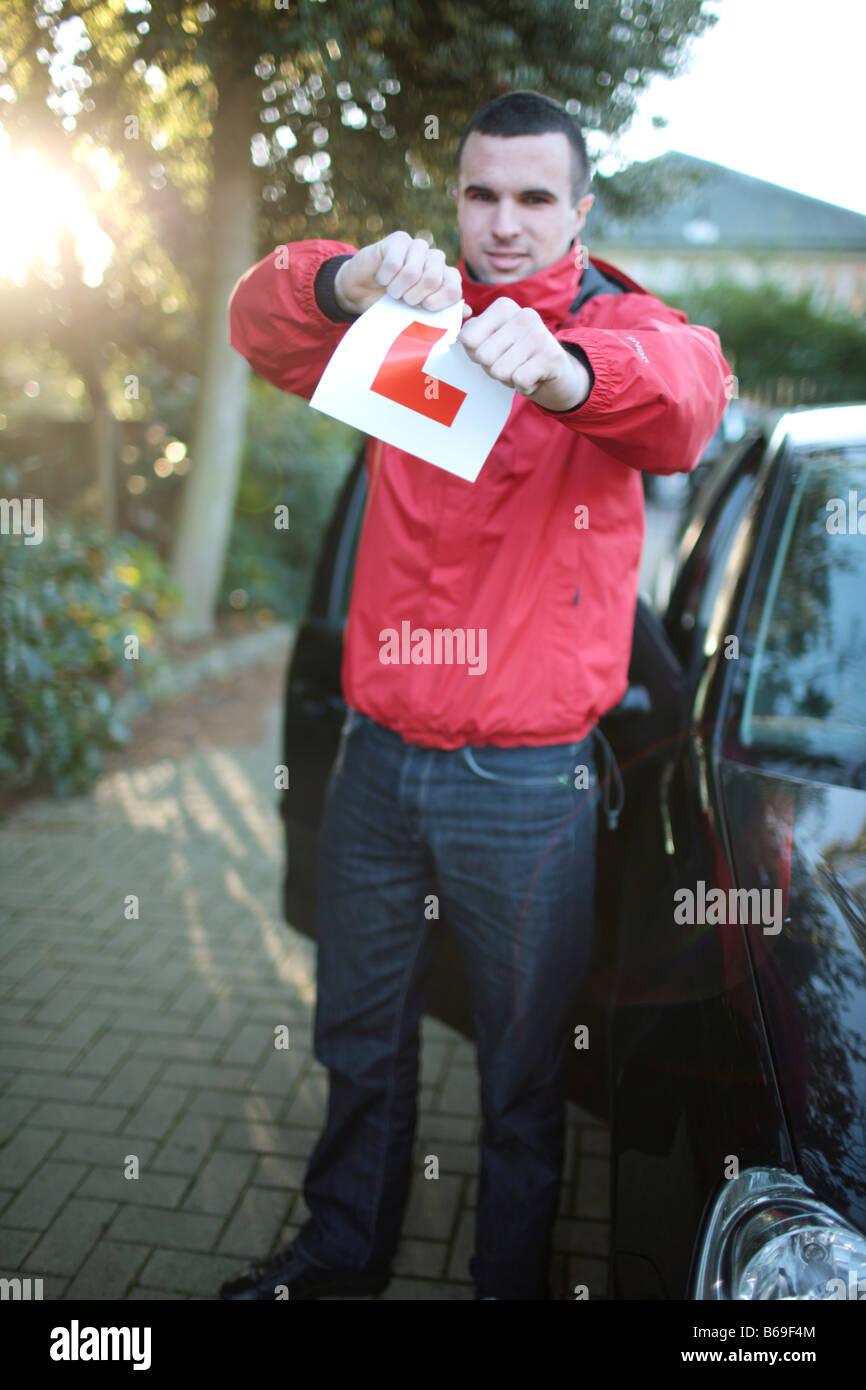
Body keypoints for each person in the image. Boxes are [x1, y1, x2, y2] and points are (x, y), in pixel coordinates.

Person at [220, 90, 731, 1301]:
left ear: (578, 209)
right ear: (456, 198)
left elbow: (688, 399)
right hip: (377, 763)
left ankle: (508, 1284)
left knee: (519, 1077)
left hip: (524, 786)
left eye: (533, 198)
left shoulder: (622, 329)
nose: (504, 224)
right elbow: (258, 322)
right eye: (481, 195)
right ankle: (338, 1259)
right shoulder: (410, 315)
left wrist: (561, 370)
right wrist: (341, 279)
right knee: (357, 1039)